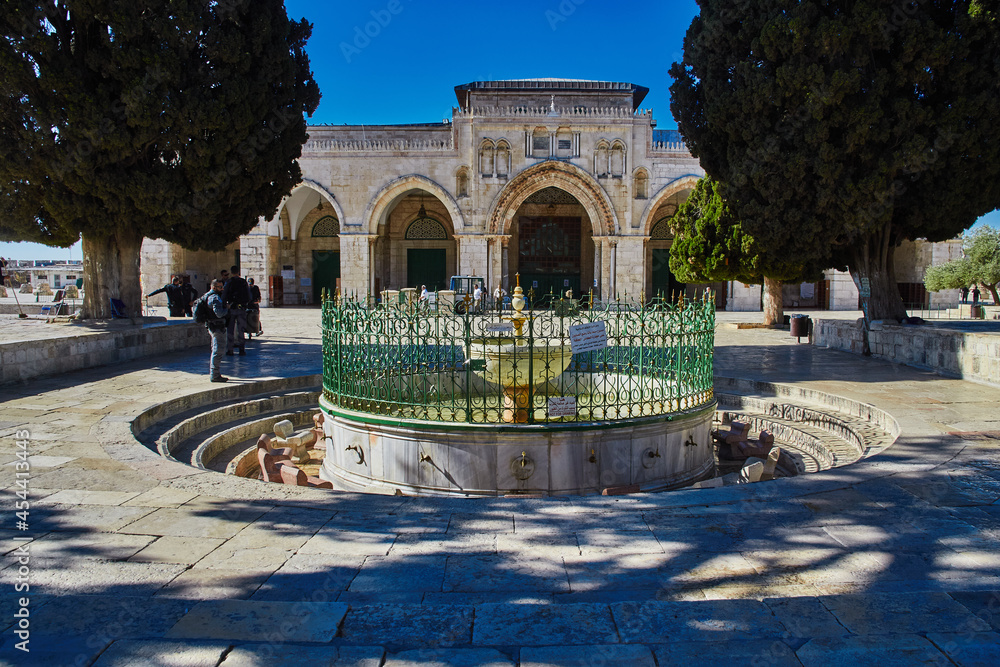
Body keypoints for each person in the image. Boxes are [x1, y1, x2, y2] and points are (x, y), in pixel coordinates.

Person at [222, 265, 251, 355]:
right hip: (241, 308)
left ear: (231, 272)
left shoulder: (229, 282)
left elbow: (224, 294)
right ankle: (242, 349)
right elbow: (249, 296)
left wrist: (224, 305)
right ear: (238, 272)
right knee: (241, 329)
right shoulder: (243, 282)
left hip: (232, 308)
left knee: (230, 330)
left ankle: (230, 349)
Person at [205, 278, 229, 382]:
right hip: (217, 327)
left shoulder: (206, 295)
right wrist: (226, 308)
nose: (222, 289)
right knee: (217, 351)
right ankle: (215, 375)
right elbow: (219, 313)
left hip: (213, 326)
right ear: (214, 287)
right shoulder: (214, 297)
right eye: (220, 287)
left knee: (216, 349)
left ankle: (215, 374)